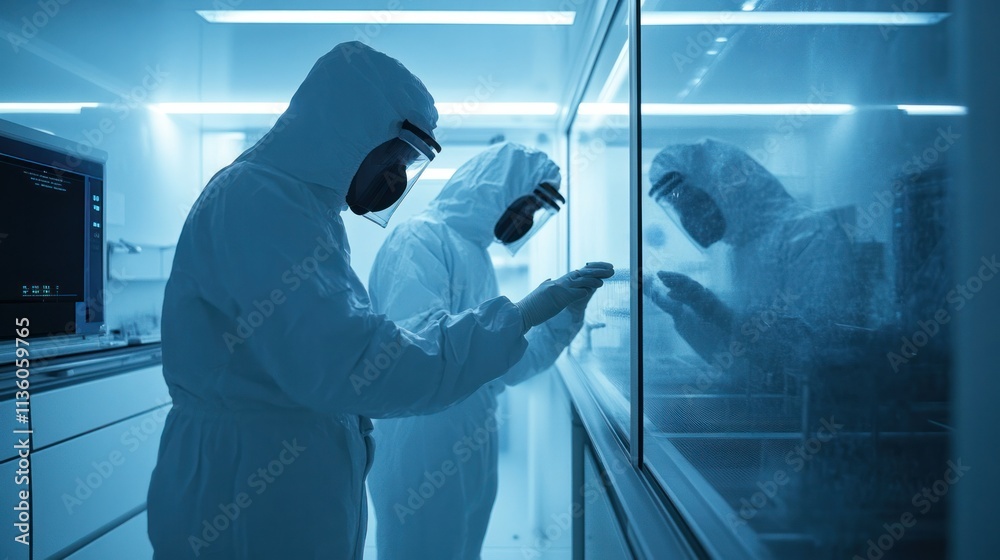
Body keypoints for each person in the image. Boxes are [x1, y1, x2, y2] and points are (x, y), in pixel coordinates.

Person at [146, 42, 613, 559]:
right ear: (346, 131)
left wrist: (557, 317)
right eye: (394, 158)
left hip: (291, 468)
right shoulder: (260, 199)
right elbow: (355, 363)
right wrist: (520, 315)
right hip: (248, 484)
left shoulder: (306, 209)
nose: (395, 179)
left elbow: (349, 360)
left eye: (407, 164)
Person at [366, 143, 592, 559]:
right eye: (524, 205)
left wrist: (564, 316)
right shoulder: (420, 238)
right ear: (494, 187)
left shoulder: (475, 255)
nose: (524, 220)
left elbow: (504, 368)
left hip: (468, 437)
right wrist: (522, 315)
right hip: (423, 444)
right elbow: (419, 350)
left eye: (533, 213)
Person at [643, 139, 859, 381]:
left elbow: (818, 350)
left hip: (810, 409)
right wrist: (683, 312)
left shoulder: (811, 235)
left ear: (725, 186)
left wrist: (715, 310)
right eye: (679, 207)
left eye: (691, 202)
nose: (688, 216)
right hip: (771, 406)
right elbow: (736, 360)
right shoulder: (737, 249)